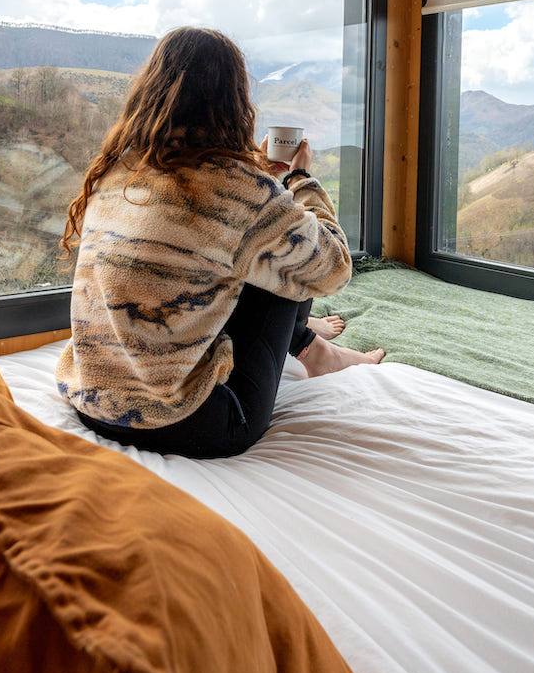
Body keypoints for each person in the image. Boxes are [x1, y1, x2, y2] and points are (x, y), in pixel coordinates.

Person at [55, 26, 383, 458]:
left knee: (247, 247)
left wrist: (261, 185)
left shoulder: (120, 170)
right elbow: (335, 266)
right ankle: (314, 350)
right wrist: (298, 181)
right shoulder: (240, 190)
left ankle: (306, 337)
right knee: (283, 257)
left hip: (92, 403)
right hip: (196, 424)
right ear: (235, 101)